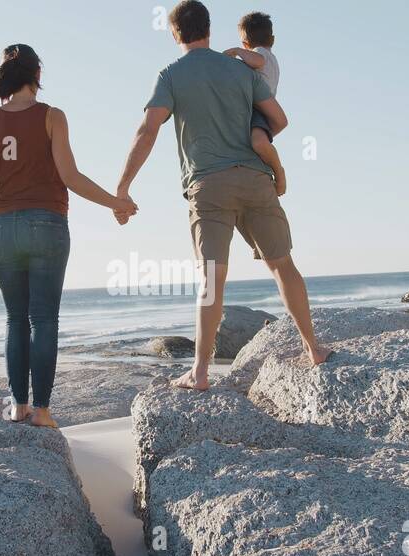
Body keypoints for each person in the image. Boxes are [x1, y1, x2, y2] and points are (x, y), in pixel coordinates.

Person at [116, 0, 331, 392]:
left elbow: (147, 131)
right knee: (283, 265)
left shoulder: (170, 75)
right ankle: (313, 348)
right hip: (255, 177)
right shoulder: (240, 68)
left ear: (175, 33)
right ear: (209, 29)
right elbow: (279, 118)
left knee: (212, 280)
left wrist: (124, 186)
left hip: (208, 186)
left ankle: (199, 372)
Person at [0, 44, 138, 428]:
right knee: (44, 319)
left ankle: (18, 407)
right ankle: (43, 412)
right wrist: (115, 202)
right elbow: (70, 176)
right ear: (37, 75)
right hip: (47, 223)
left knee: (16, 318)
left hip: (3, 227)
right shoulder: (52, 116)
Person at [224, 11, 287, 196]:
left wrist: (237, 51)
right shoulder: (271, 57)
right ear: (273, 39)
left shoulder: (260, 54)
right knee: (254, 143)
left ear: (246, 44)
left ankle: (278, 171)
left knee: (259, 143)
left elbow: (257, 61)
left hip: (258, 110)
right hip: (262, 108)